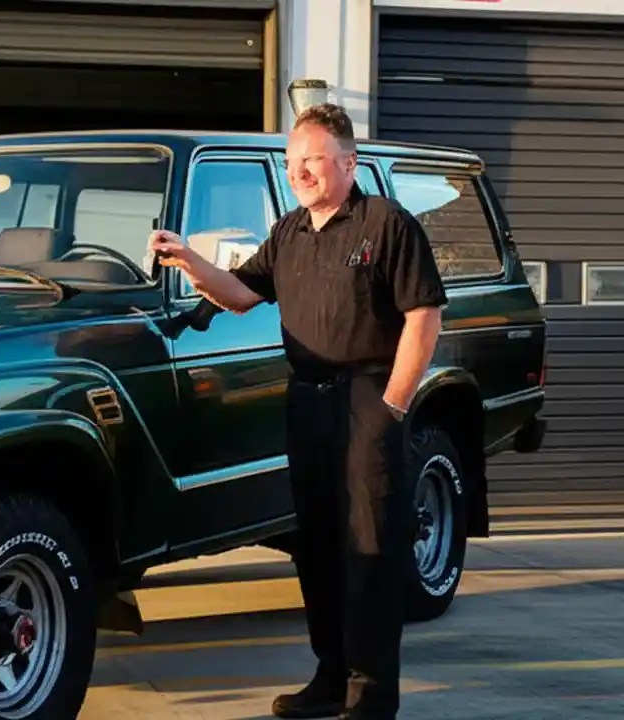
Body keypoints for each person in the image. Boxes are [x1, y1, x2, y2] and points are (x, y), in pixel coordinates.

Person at [149, 103, 446, 720]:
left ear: (347, 162)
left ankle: (371, 698)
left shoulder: (387, 225)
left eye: (312, 159)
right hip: (306, 400)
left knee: (369, 546)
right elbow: (240, 295)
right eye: (292, 163)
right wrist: (189, 261)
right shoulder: (289, 232)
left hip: (367, 399)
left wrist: (393, 402)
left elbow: (423, 316)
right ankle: (331, 679)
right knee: (316, 544)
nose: (300, 172)